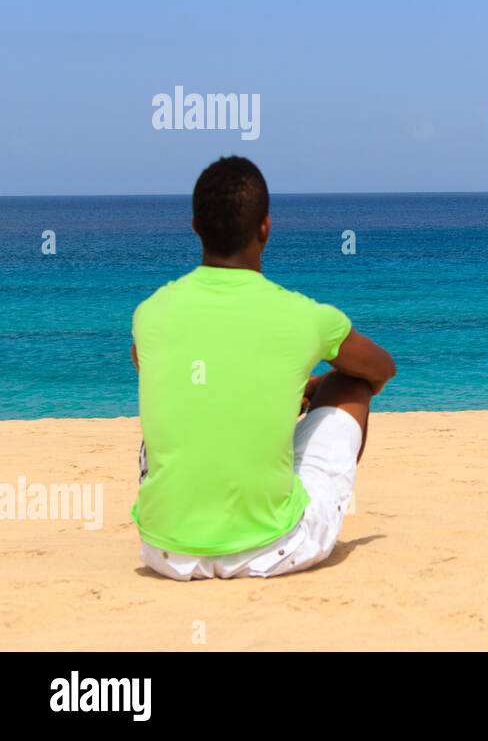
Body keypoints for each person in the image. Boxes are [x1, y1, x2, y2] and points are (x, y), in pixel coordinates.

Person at [129, 156, 396, 579]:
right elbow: (382, 369)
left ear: (195, 226)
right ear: (266, 228)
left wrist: (280, 385)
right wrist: (318, 383)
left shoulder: (150, 312)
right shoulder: (306, 317)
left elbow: (151, 367)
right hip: (272, 547)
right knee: (353, 383)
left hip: (163, 550)